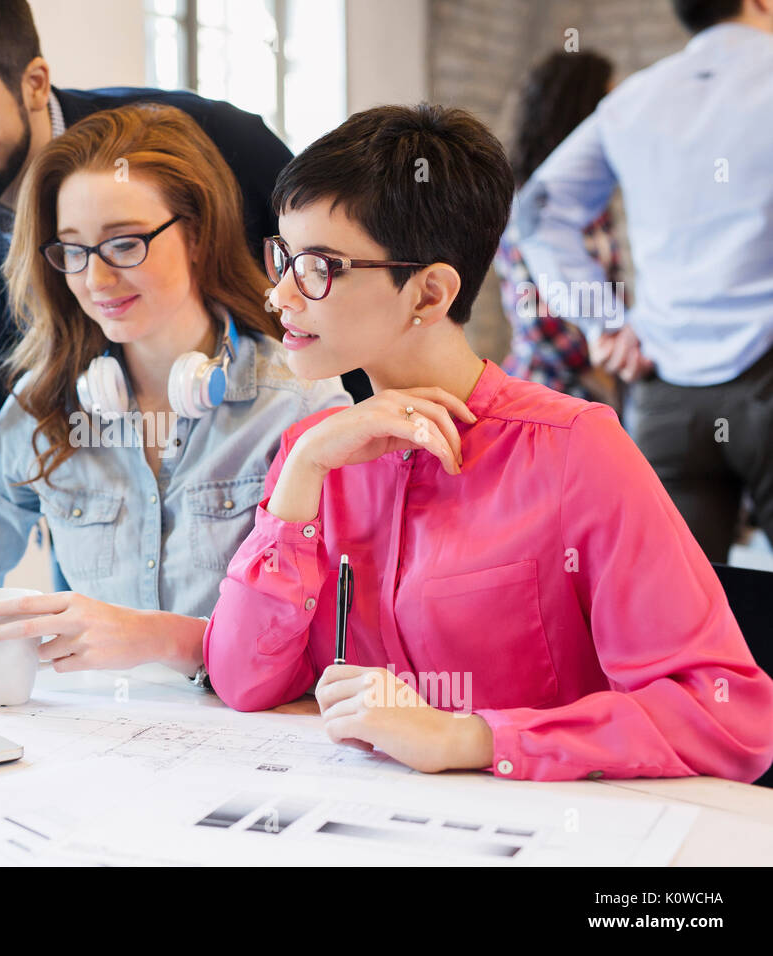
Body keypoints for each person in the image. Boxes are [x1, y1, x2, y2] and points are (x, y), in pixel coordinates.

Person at [201, 104, 773, 784]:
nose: (280, 294)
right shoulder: (317, 450)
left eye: (320, 266)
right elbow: (243, 681)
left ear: (430, 293)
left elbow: (727, 716)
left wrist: (471, 737)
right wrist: (299, 477)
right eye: (284, 257)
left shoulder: (574, 451)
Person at [0, 104, 351, 704]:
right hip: (103, 748)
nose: (96, 280)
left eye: (124, 244)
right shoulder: (47, 405)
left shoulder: (297, 407)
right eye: (74, 251)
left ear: (196, 233)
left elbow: (334, 640)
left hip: (258, 740)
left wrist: (159, 638)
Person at [0, 0, 372, 438]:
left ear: (34, 83)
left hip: (284, 484)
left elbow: (351, 302)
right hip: (92, 504)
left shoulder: (213, 140)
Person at [510, 0, 773, 562]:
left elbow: (535, 213)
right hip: (764, 372)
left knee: (684, 611)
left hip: (666, 396)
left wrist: (603, 321)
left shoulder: (634, 100)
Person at [494, 49, 628, 407]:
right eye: (608, 103)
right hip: (549, 390)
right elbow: (539, 323)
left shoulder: (590, 204)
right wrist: (607, 362)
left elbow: (609, 288)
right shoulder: (525, 205)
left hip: (602, 380)